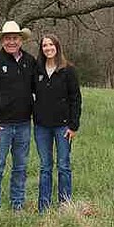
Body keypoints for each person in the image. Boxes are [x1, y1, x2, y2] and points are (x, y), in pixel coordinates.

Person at [0, 20, 37, 212]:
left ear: (21, 40)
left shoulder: (30, 62)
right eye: (8, 38)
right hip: (0, 126)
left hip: (24, 125)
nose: (12, 42)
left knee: (20, 167)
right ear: (2, 41)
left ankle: (17, 204)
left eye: (15, 38)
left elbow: (40, 89)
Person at [33, 33, 82, 213]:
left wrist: (73, 125)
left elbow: (76, 98)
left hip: (63, 126)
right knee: (45, 166)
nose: (48, 48)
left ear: (57, 47)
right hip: (41, 126)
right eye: (45, 45)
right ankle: (43, 207)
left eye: (51, 45)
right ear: (41, 49)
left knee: (63, 165)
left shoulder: (68, 70)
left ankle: (65, 205)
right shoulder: (37, 70)